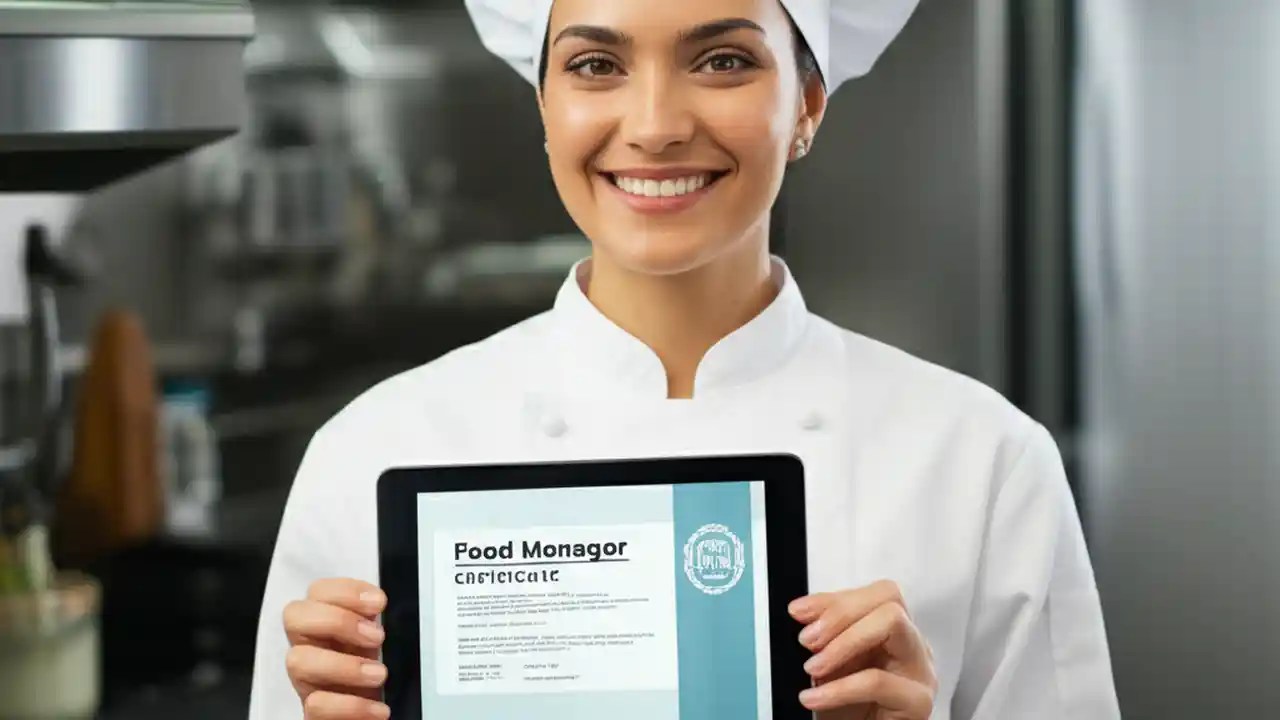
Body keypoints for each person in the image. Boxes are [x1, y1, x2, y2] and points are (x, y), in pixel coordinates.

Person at [248, 0, 1122, 718]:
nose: (657, 127)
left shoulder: (981, 461)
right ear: (544, 106)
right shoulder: (371, 452)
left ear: (808, 105)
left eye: (724, 61)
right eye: (596, 66)